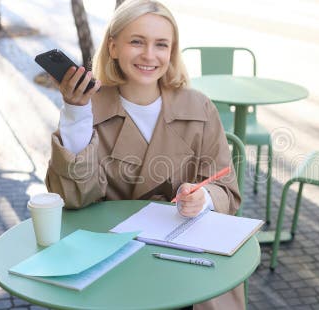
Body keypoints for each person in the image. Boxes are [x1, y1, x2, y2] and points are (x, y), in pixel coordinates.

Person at [44, 0, 243, 308]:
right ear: (113, 47)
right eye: (136, 41)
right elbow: (73, 198)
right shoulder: (86, 108)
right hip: (111, 259)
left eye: (161, 44)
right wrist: (75, 113)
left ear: (172, 52)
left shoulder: (200, 108)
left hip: (185, 258)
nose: (150, 55)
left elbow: (227, 190)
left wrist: (202, 199)